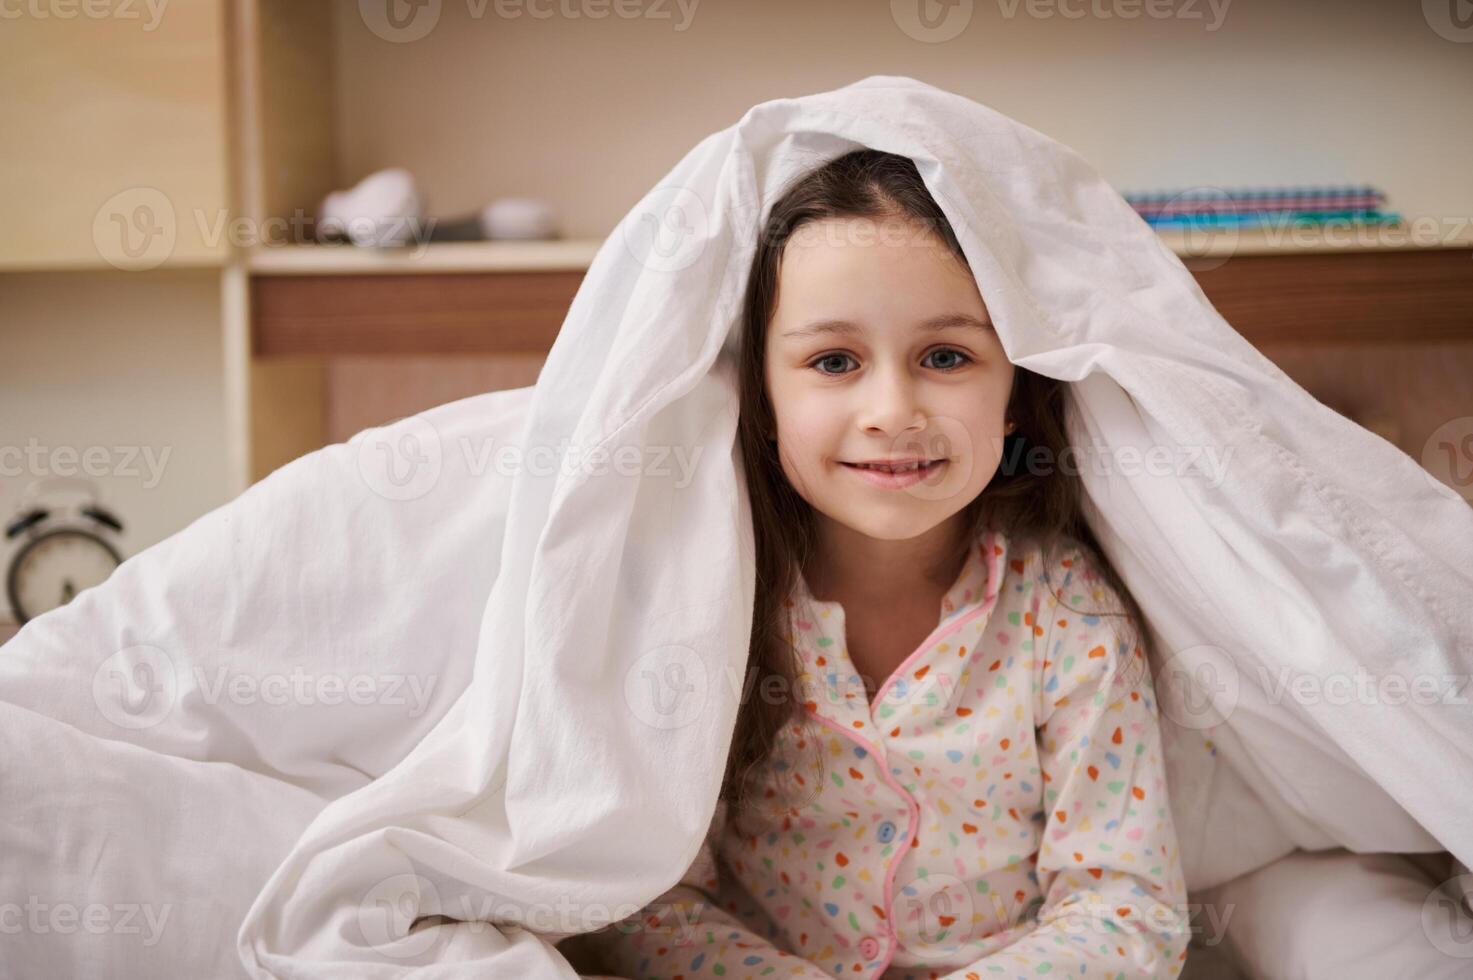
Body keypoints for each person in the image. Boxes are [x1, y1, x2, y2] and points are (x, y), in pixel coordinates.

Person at [576, 149, 1190, 979]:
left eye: (945, 357)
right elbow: (642, 900)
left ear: (1013, 390)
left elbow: (1126, 907)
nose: (892, 412)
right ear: (760, 398)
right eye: (834, 362)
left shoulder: (1065, 610)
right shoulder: (711, 602)